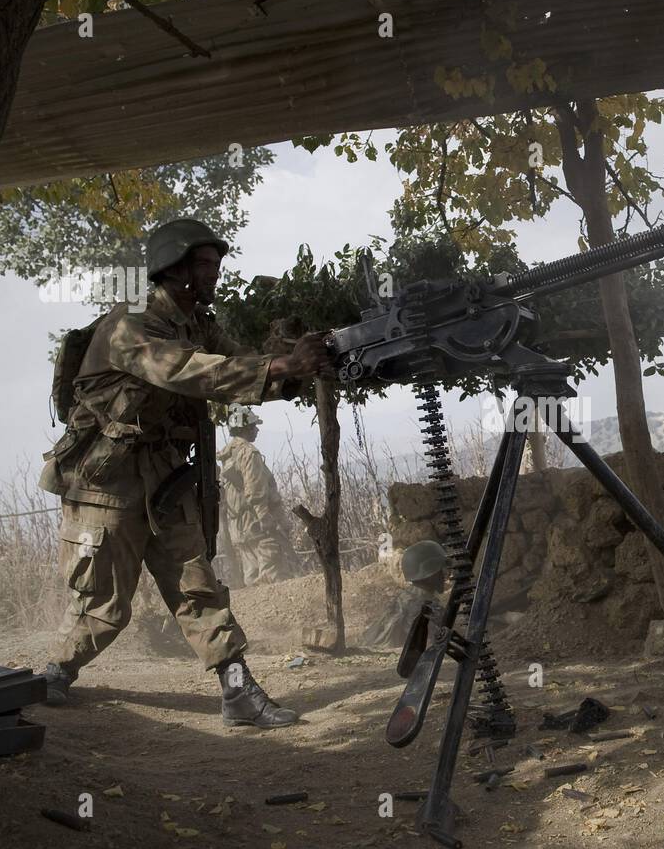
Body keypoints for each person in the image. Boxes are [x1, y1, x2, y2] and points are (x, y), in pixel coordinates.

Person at [36, 218, 332, 728]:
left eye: (217, 264)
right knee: (105, 602)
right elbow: (193, 371)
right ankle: (55, 671)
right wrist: (283, 368)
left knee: (197, 585)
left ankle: (237, 691)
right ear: (173, 268)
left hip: (166, 477)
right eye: (206, 265)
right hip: (107, 482)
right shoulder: (131, 324)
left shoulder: (197, 322)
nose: (216, 274)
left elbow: (239, 363)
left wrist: (298, 364)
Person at [217, 405, 301, 586]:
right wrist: (265, 518)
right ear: (245, 428)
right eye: (254, 426)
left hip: (239, 527)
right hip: (257, 524)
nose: (257, 430)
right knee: (274, 575)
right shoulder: (248, 452)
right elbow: (255, 489)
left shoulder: (229, 454)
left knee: (253, 577)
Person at [359, 541, 448, 651]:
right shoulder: (418, 606)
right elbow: (432, 641)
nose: (444, 576)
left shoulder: (411, 598)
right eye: (439, 571)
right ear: (428, 574)